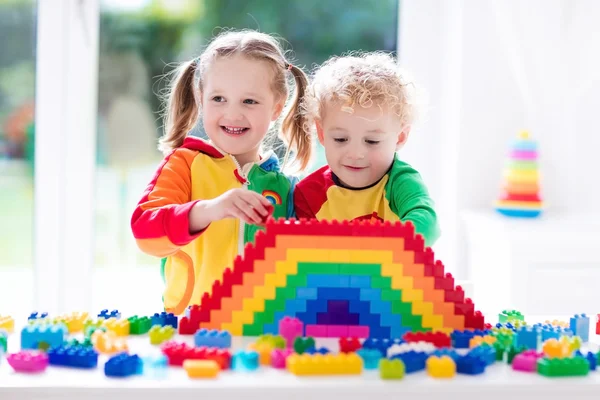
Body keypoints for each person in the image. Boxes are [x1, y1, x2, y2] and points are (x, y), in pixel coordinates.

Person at [131, 30, 312, 315]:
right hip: (189, 329)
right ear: (201, 98)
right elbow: (145, 234)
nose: (233, 114)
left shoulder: (287, 188)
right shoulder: (184, 164)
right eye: (219, 99)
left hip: (260, 334)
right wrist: (209, 210)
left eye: (249, 101)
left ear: (277, 107)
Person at [294, 52, 440, 246]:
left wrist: (378, 247)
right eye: (340, 139)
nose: (355, 154)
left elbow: (428, 224)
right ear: (321, 134)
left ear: (400, 137)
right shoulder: (308, 194)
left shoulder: (400, 182)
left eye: (371, 141)